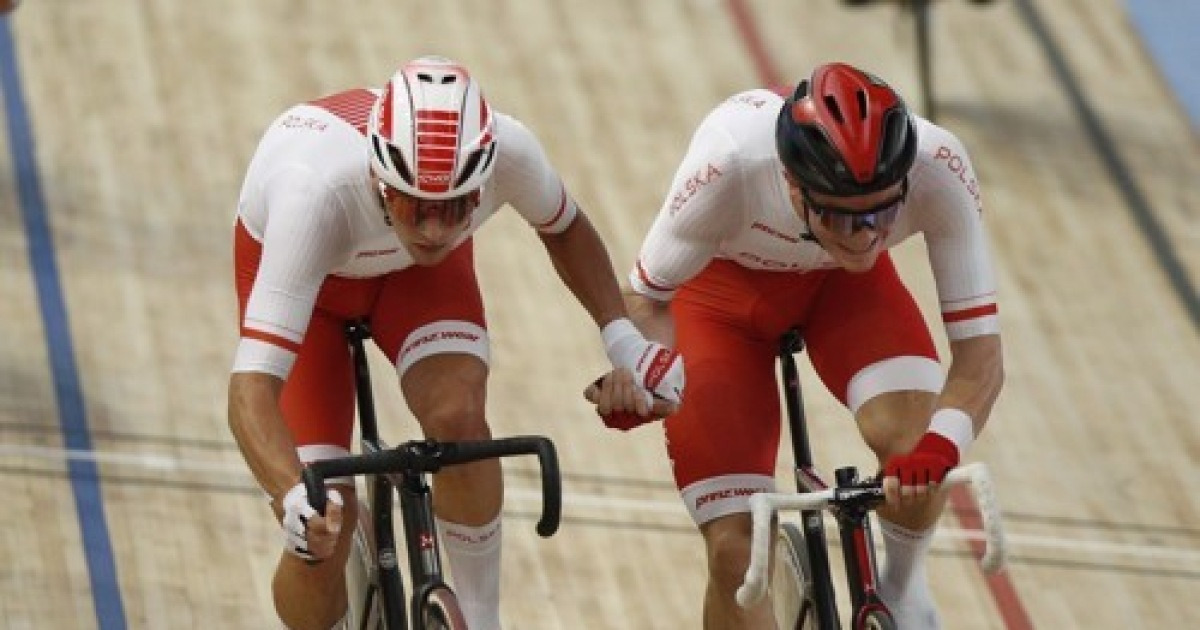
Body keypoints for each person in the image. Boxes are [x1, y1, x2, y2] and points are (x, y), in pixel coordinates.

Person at [227, 55, 684, 630]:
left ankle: (481, 616)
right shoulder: (312, 196)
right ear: (379, 179)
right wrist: (291, 495)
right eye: (416, 207)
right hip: (312, 284)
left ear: (482, 178)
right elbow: (250, 390)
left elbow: (563, 225)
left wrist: (624, 341)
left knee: (459, 416)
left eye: (455, 209)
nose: (435, 232)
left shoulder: (509, 152)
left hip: (416, 283)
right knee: (325, 526)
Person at [589, 61, 1004, 629]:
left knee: (914, 442)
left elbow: (981, 359)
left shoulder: (939, 167)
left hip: (846, 288)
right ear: (791, 184)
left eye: (883, 211)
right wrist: (646, 373)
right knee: (737, 551)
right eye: (841, 215)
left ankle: (904, 588)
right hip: (719, 297)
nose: (865, 235)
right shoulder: (729, 164)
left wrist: (940, 447)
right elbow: (645, 301)